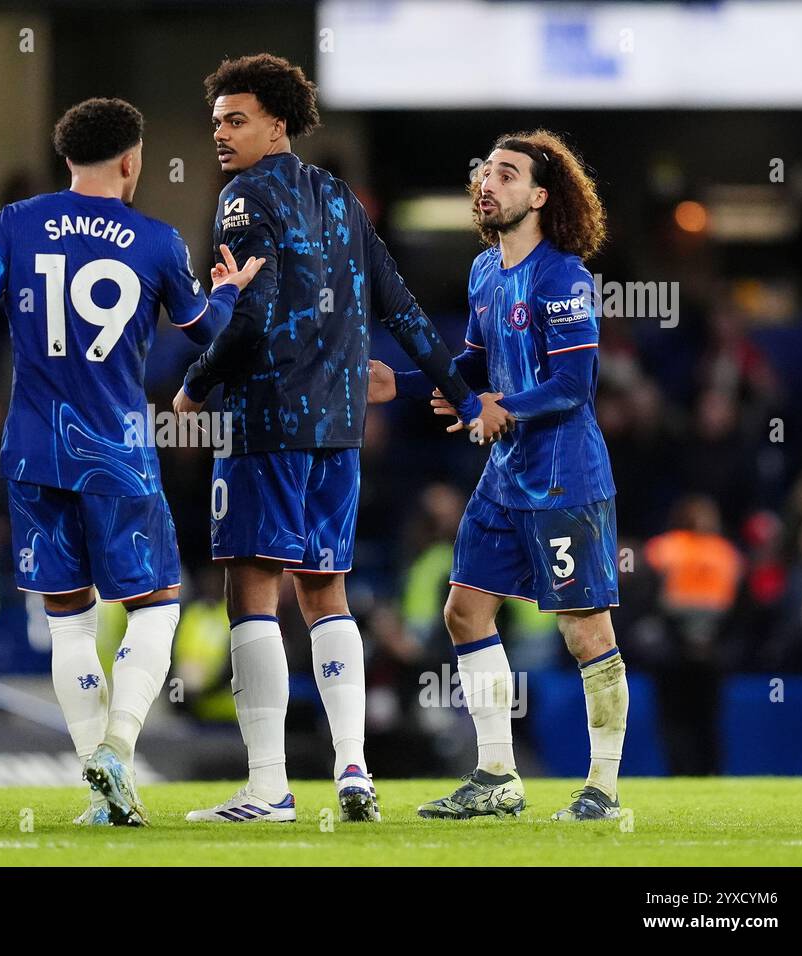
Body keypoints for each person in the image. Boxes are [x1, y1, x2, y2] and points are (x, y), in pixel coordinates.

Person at [0, 97, 262, 826]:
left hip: (33, 450)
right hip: (117, 453)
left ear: (67, 159)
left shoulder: (16, 224)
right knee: (156, 605)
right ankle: (119, 745)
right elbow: (205, 335)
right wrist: (224, 293)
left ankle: (104, 794)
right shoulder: (154, 241)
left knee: (68, 623)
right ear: (133, 161)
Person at [173, 54, 495, 824]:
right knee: (326, 593)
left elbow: (248, 322)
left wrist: (194, 382)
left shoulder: (243, 197)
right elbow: (406, 311)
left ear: (276, 122)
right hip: (341, 431)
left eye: (236, 119)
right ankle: (353, 767)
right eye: (216, 120)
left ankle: (268, 787)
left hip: (266, 424)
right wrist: (461, 396)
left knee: (249, 592)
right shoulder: (341, 198)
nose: (221, 134)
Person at [374, 130, 627, 821]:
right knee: (463, 610)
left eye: (507, 174)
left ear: (540, 196)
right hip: (505, 477)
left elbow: (575, 384)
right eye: (485, 172)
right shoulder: (487, 272)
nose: (487, 183)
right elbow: (474, 369)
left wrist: (499, 408)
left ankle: (602, 788)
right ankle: (496, 777)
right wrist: (396, 383)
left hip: (564, 479)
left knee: (586, 632)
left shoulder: (563, 276)